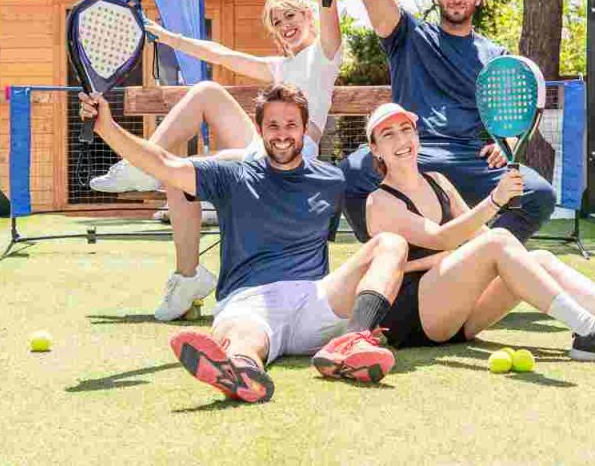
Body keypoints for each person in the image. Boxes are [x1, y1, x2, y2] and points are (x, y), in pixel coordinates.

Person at [89, 0, 346, 322]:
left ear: (307, 16)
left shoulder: (325, 55)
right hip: (260, 149)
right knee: (203, 103)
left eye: (290, 15)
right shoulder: (279, 68)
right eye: (277, 22)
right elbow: (221, 54)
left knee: (179, 172)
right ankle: (187, 272)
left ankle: (145, 169)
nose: (285, 25)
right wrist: (168, 37)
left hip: (292, 157)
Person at [78, 84, 408, 403]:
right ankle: (241, 369)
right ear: (259, 129)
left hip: (314, 300)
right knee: (243, 339)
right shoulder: (231, 175)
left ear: (304, 129)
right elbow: (165, 163)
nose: (282, 134)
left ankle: (351, 341)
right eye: (273, 125)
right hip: (249, 303)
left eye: (291, 125)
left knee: (391, 243)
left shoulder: (331, 180)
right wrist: (106, 127)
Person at [364, 103, 595, 361]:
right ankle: (589, 332)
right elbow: (441, 239)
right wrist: (495, 200)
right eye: (388, 134)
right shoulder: (380, 201)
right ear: (375, 149)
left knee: (540, 258)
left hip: (459, 319)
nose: (401, 139)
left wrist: (501, 257)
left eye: (406, 129)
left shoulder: (438, 181)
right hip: (414, 319)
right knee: (499, 241)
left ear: (417, 135)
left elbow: (480, 238)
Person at [331, 0, 556, 245]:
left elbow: (513, 115)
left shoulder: (496, 56)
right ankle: (388, 254)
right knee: (350, 172)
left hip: (471, 159)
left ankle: (478, 256)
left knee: (539, 194)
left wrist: (507, 144)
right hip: (411, 152)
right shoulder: (407, 35)